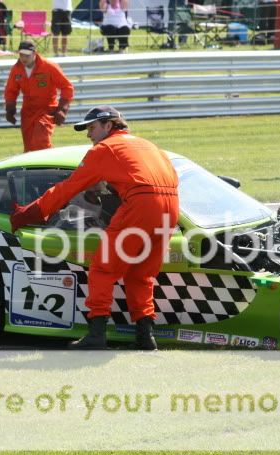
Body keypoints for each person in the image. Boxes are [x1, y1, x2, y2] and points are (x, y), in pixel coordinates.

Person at [10, 106, 180, 351]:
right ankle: (145, 337)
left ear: (108, 126)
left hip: (141, 205)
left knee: (102, 268)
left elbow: (66, 189)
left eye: (92, 128)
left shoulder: (104, 149)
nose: (89, 134)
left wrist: (30, 213)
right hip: (172, 207)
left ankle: (96, 335)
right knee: (140, 274)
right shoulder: (150, 146)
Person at [3, 41, 75, 152]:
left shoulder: (49, 67)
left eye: (27, 55)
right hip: (27, 112)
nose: (24, 58)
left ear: (34, 53)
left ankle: (49, 167)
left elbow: (67, 87)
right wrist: (10, 109)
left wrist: (62, 109)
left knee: (41, 142)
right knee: (29, 148)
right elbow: (11, 90)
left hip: (46, 110)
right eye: (21, 55)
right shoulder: (16, 69)